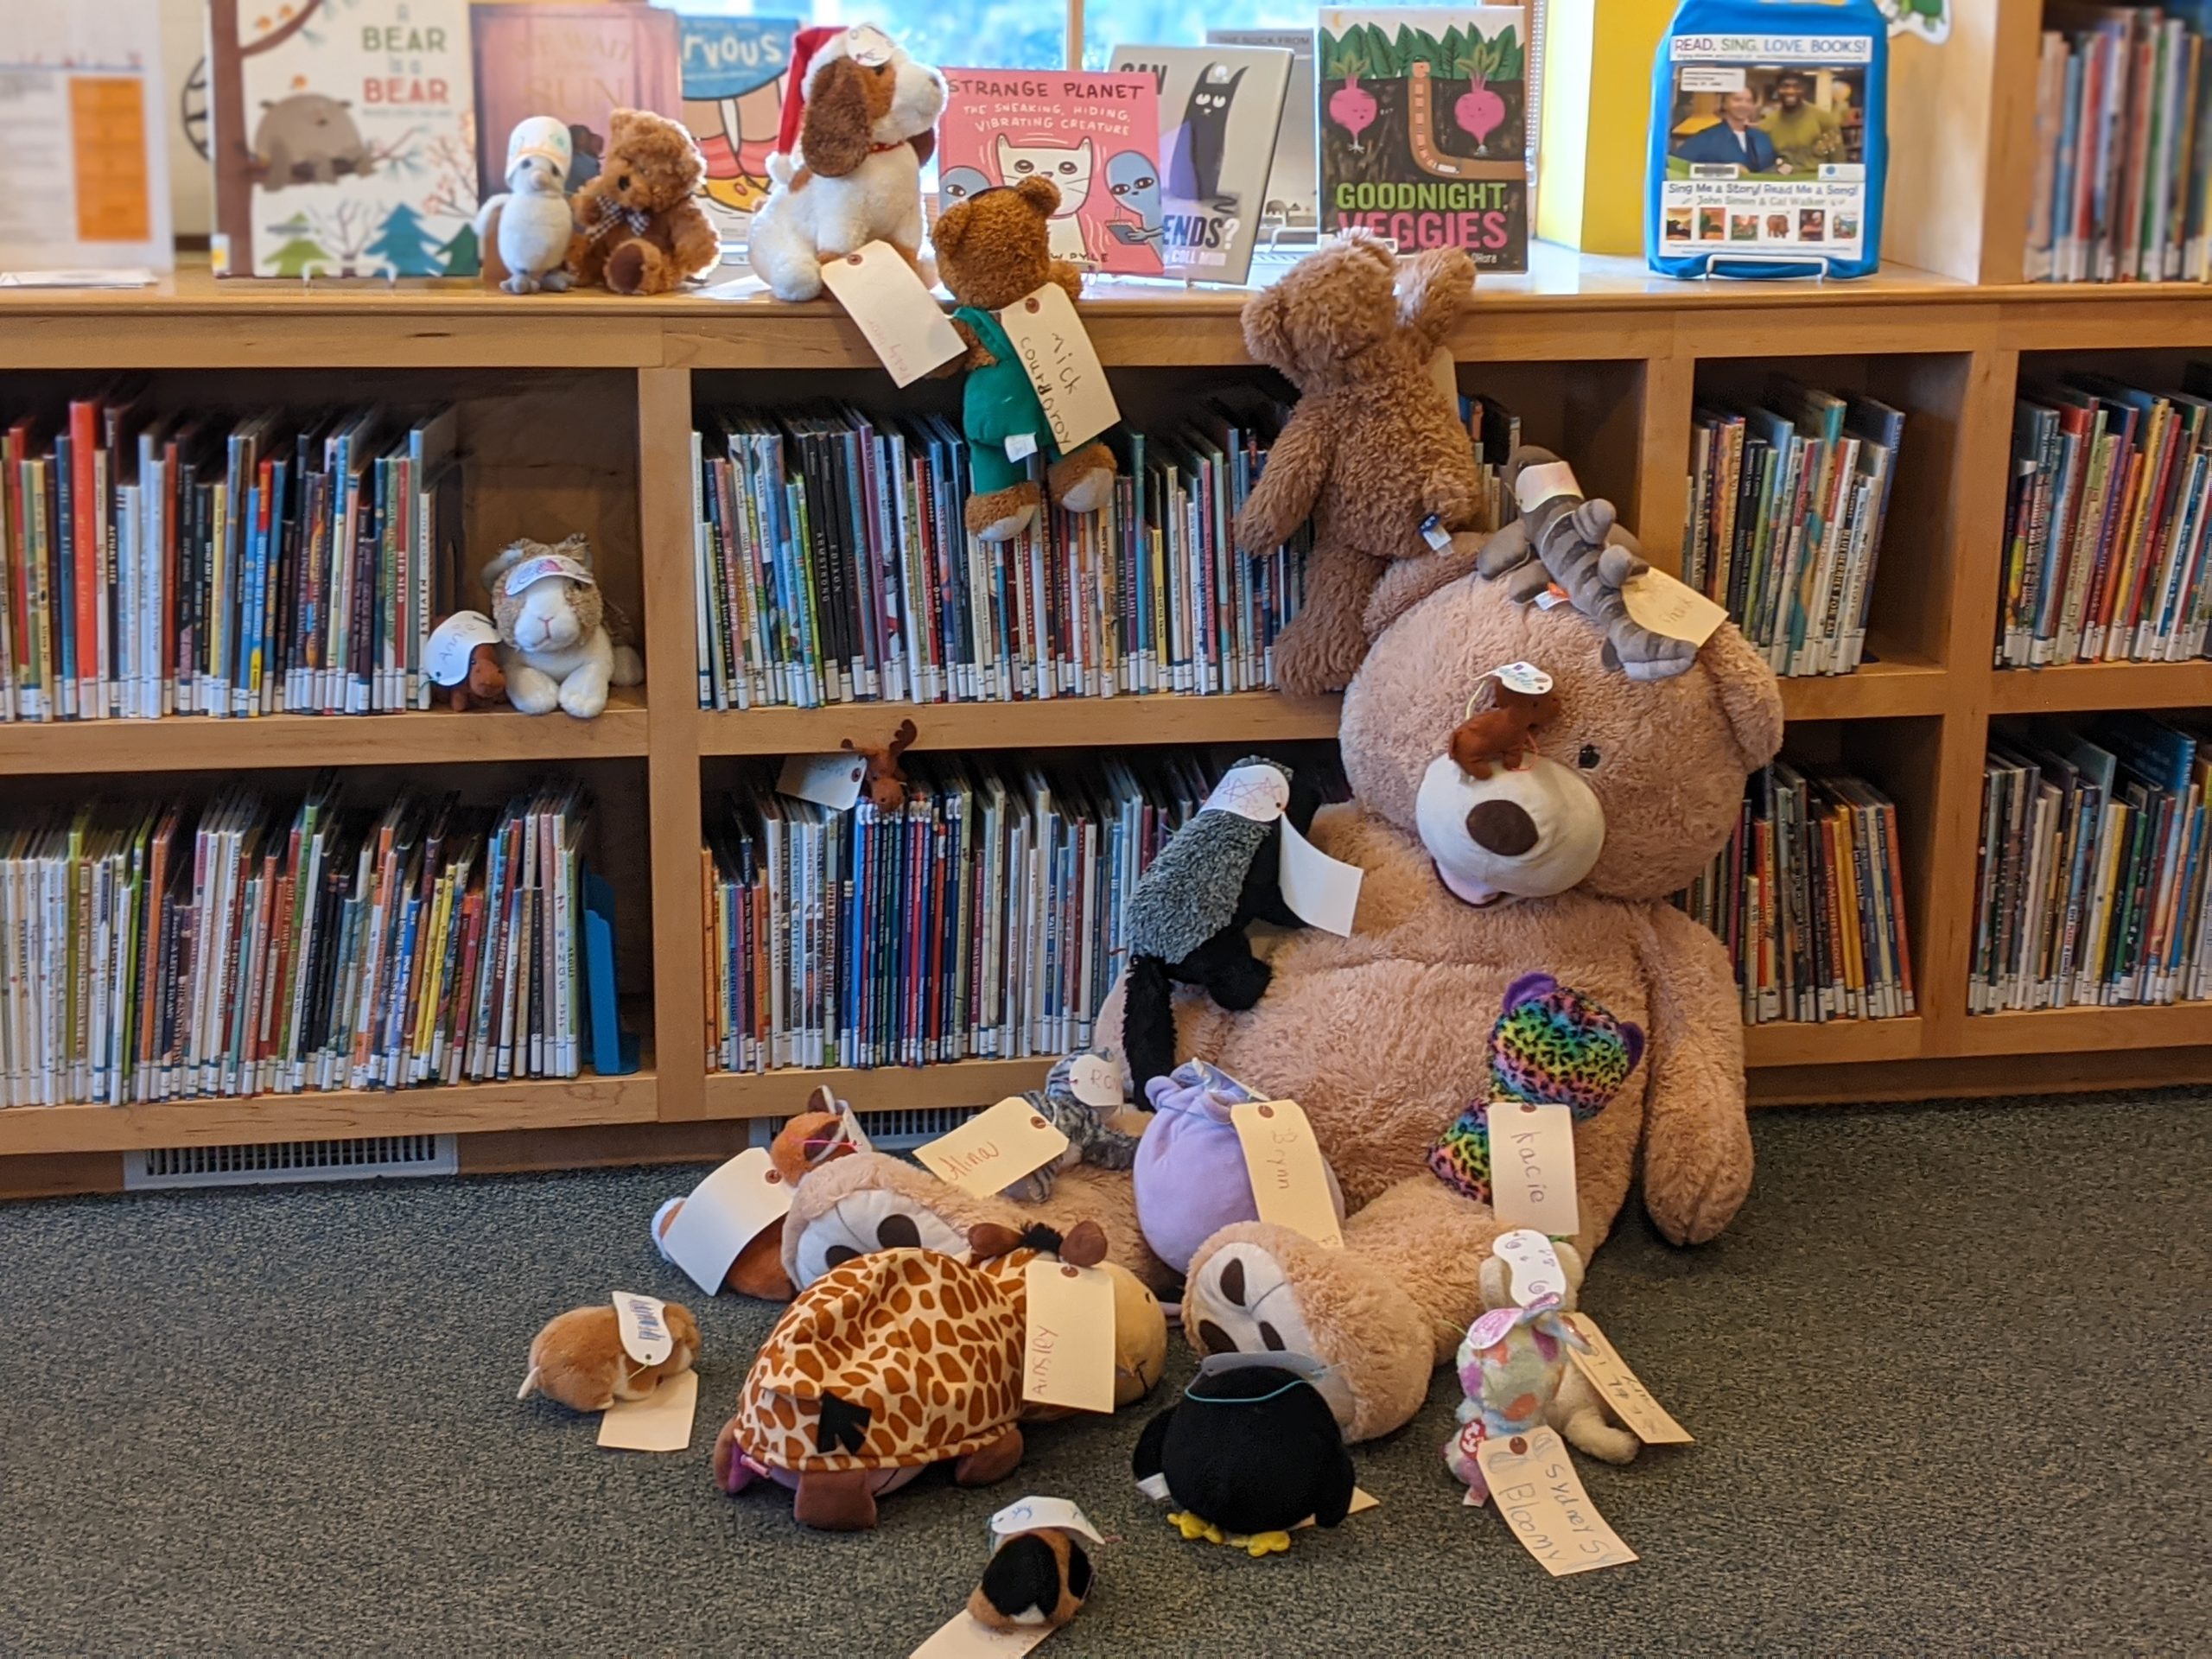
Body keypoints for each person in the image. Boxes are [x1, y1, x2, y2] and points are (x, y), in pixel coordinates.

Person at [1674, 88, 1778, 174]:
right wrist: (1725, 170)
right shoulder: (1706, 138)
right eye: (1737, 100)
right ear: (1724, 103)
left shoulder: (1762, 138)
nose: (1743, 105)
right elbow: (1677, 166)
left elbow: (1772, 167)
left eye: (1749, 101)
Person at [1759, 71, 1842, 172]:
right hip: (1782, 180)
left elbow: (1838, 159)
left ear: (1804, 90)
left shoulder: (1823, 118)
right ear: (1777, 90)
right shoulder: (1767, 124)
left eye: (1797, 86)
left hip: (1816, 179)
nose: (1790, 91)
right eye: (1785, 86)